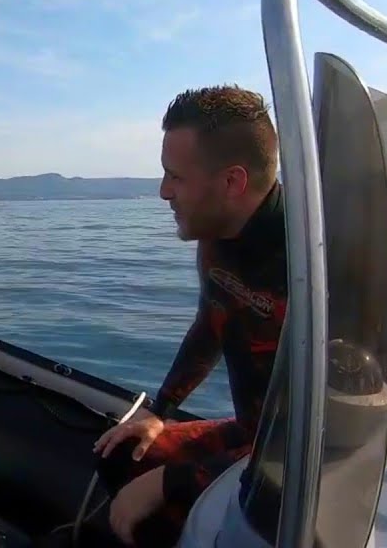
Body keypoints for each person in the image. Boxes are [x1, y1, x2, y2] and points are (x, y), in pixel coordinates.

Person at [91, 85, 287, 547]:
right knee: (123, 454)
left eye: (175, 177)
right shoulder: (218, 235)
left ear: (232, 182)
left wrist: (170, 482)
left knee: (150, 503)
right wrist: (160, 411)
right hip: (252, 435)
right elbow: (211, 324)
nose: (163, 192)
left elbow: (323, 441)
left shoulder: (312, 264)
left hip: (295, 460)